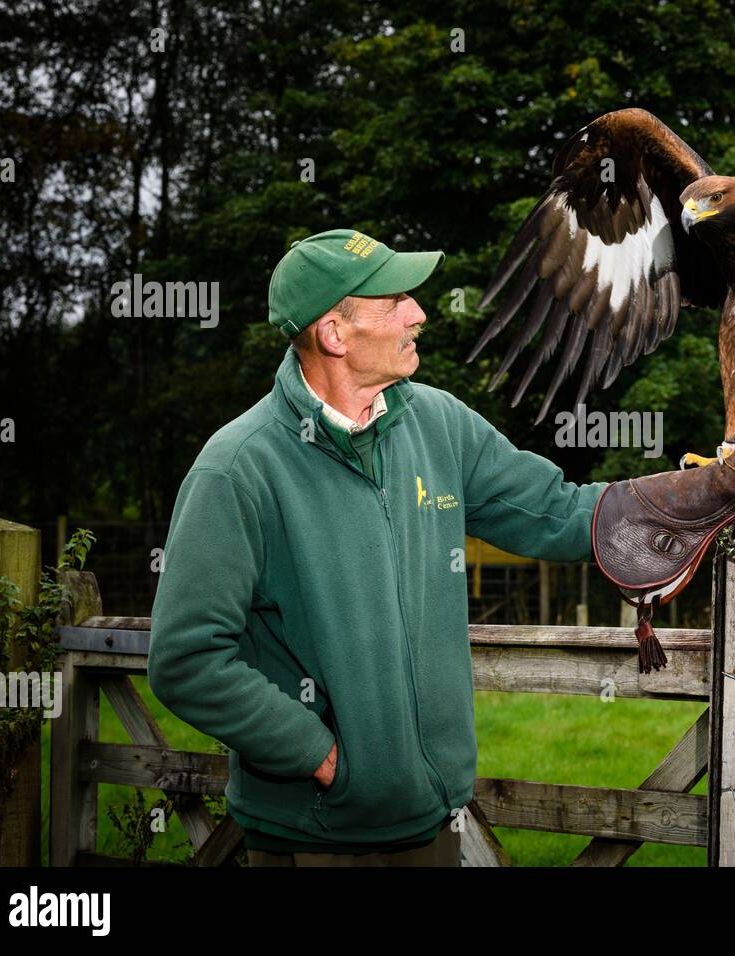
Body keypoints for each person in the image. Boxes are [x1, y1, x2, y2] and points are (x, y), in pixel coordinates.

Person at [149, 228, 608, 866]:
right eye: (394, 301)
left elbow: (557, 510)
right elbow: (188, 659)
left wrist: (707, 491)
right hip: (318, 834)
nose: (420, 314)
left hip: (432, 821)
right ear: (335, 335)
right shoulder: (238, 470)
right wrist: (320, 756)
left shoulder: (438, 423)